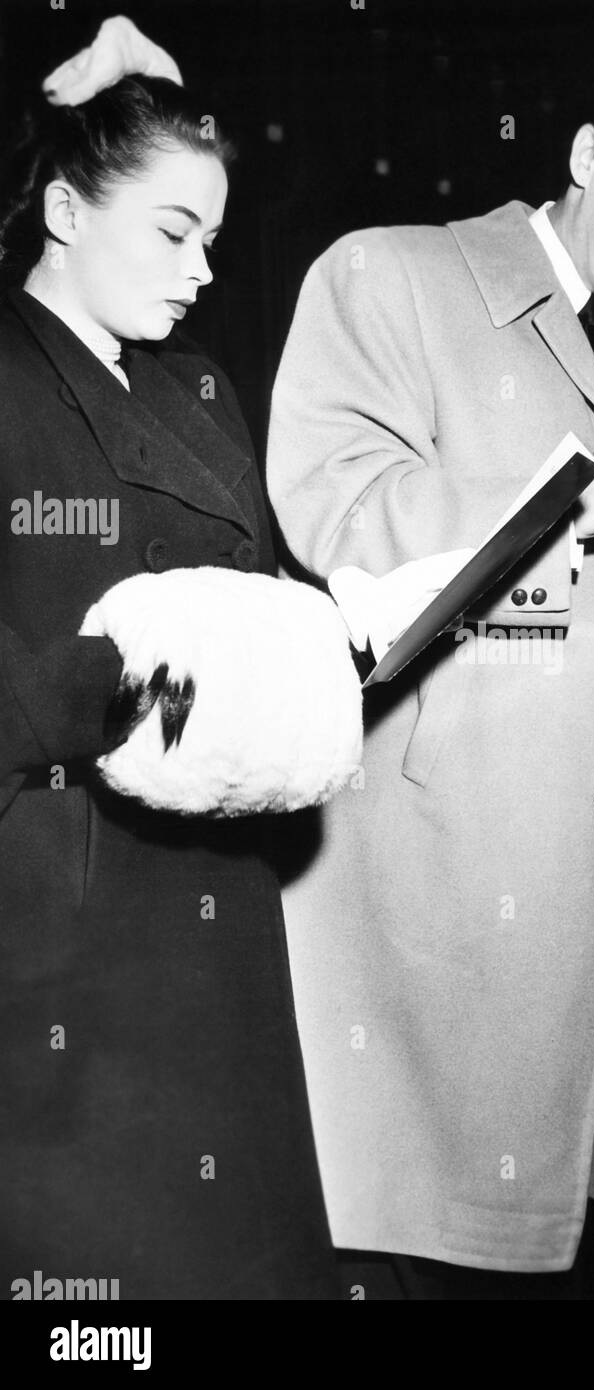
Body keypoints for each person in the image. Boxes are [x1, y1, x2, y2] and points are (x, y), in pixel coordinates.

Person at [266, 60, 594, 1296]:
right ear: (587, 151)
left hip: (580, 915)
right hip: (427, 890)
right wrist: (561, 502)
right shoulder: (387, 272)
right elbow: (336, 515)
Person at [0, 74, 360, 1299]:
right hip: (59, 927)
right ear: (63, 207)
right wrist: (118, 685)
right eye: (171, 231)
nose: (203, 269)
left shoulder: (199, 393)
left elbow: (255, 604)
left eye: (211, 238)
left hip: (218, 913)